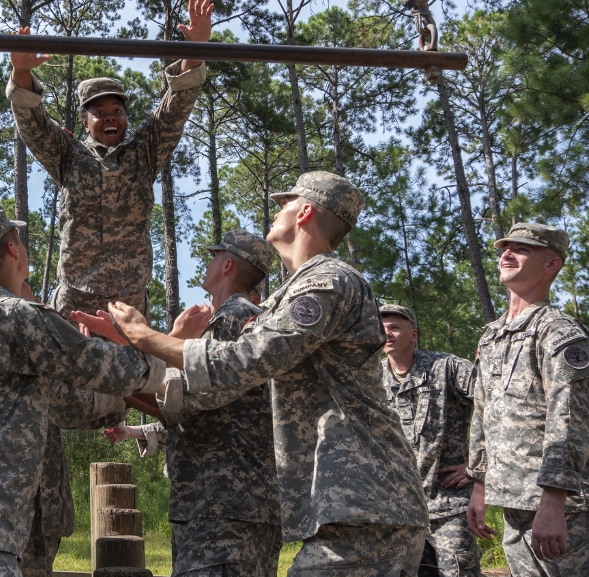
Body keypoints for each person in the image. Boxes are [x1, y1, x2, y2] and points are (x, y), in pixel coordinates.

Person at [108, 171, 429, 576]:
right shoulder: (288, 295)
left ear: (305, 211)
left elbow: (243, 359)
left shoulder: (329, 282)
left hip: (366, 501)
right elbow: (221, 373)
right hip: (345, 505)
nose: (276, 213)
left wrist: (144, 336)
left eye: (285, 204)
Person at [0, 203, 164, 577]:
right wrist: (158, 341)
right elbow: (115, 371)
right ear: (13, 249)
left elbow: (70, 402)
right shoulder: (13, 313)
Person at [7, 0, 213, 318]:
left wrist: (196, 52)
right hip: (75, 294)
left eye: (117, 110)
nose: (111, 117)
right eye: (100, 112)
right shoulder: (68, 154)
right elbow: (32, 123)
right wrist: (21, 72)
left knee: (131, 369)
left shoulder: (144, 152)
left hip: (128, 298)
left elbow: (175, 109)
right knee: (68, 369)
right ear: (85, 121)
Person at [92, 230, 283, 577]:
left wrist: (113, 362)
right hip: (223, 505)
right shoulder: (227, 320)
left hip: (224, 507)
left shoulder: (233, 319)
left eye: (213, 257)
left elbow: (173, 401)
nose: (206, 263)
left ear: (227, 266)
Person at [0, 275, 127, 577]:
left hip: (38, 504)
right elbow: (71, 403)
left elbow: (72, 411)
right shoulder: (4, 349)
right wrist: (116, 382)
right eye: (21, 288)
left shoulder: (21, 345)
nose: (30, 296)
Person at [466, 223, 589, 575]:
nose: (506, 254)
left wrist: (553, 501)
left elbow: (569, 420)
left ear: (551, 265)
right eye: (504, 248)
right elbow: (482, 414)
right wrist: (479, 485)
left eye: (522, 249)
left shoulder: (559, 332)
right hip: (512, 502)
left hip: (561, 507)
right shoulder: (492, 335)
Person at [379, 303, 481, 577]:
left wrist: (477, 464)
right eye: (382, 328)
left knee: (459, 572)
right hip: (396, 511)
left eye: (395, 328)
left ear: (413, 334)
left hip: (448, 505)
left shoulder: (447, 367)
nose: (387, 334)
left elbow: (498, 408)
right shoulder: (371, 379)